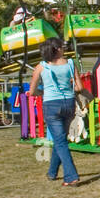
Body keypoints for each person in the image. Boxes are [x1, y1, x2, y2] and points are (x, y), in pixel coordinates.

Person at [29, 38, 80, 185]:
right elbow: (79, 87)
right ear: (57, 48)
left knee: (60, 141)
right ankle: (52, 172)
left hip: (51, 104)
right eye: (62, 47)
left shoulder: (41, 67)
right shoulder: (70, 64)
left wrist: (43, 93)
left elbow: (32, 91)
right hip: (69, 104)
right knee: (61, 139)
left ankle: (71, 177)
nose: (64, 48)